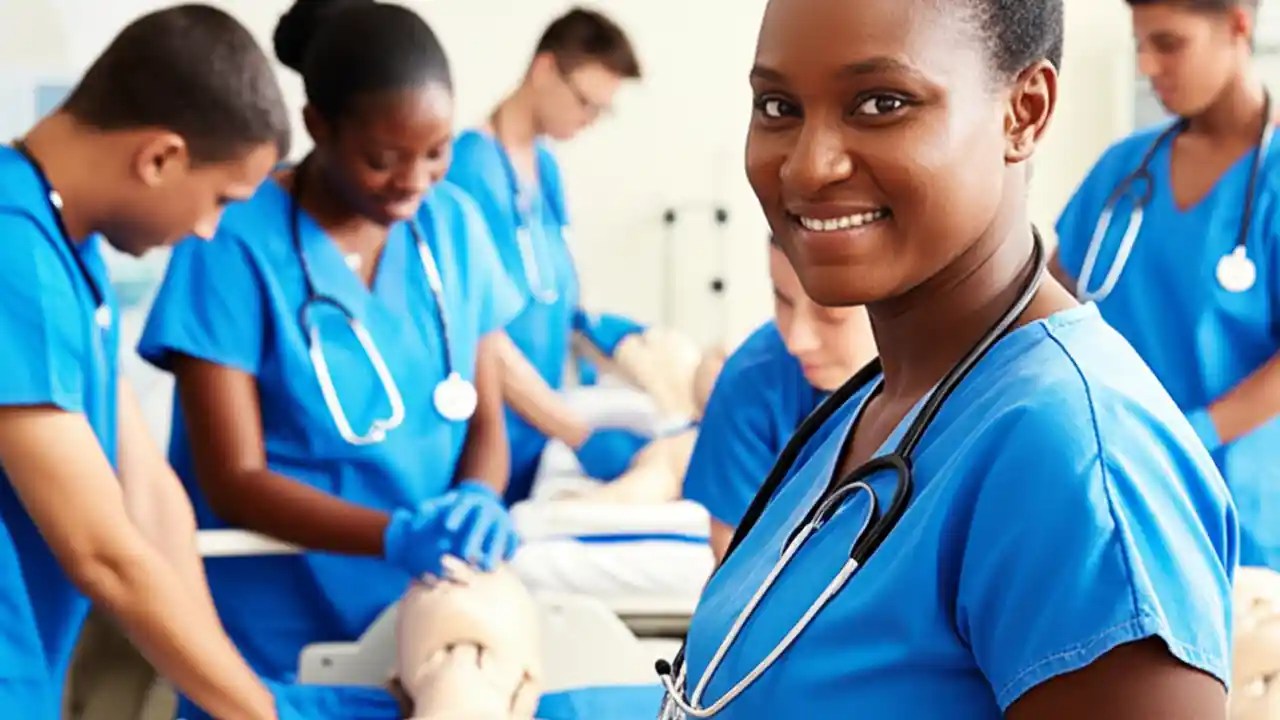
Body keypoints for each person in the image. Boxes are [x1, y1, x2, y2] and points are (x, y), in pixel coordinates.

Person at [657, 0, 1240, 717]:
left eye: (880, 103)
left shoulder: (1076, 459)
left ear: (1023, 112)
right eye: (778, 105)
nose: (809, 165)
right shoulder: (874, 410)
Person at [136, 1, 522, 716]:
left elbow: (484, 420)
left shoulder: (455, 225)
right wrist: (395, 535)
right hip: (267, 623)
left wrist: (478, 495)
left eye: (436, 153)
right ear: (318, 126)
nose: (413, 182)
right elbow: (232, 478)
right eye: (382, 159)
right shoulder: (229, 237)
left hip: (419, 617)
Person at [0, 4, 320, 718]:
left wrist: (234, 689)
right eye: (217, 201)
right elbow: (104, 553)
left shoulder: (64, 242)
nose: (208, 231)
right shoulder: (11, 251)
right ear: (161, 157)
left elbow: (147, 493)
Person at [1052, 0, 1280, 572]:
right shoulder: (1123, 170)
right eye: (1140, 46)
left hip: (1239, 508)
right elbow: (1046, 302)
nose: (1147, 66)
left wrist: (1190, 435)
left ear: (1237, 27)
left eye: (1168, 43)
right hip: (1114, 489)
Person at [445, 7, 650, 504]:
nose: (589, 120)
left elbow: (559, 290)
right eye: (585, 102)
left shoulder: (545, 171)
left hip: (538, 431)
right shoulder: (469, 172)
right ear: (544, 69)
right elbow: (480, 334)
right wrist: (576, 433)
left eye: (602, 110)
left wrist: (616, 337)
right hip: (488, 436)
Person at [683, 237, 875, 560]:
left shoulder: (967, 383)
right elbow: (736, 588)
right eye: (782, 299)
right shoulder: (749, 385)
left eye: (830, 313)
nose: (797, 340)